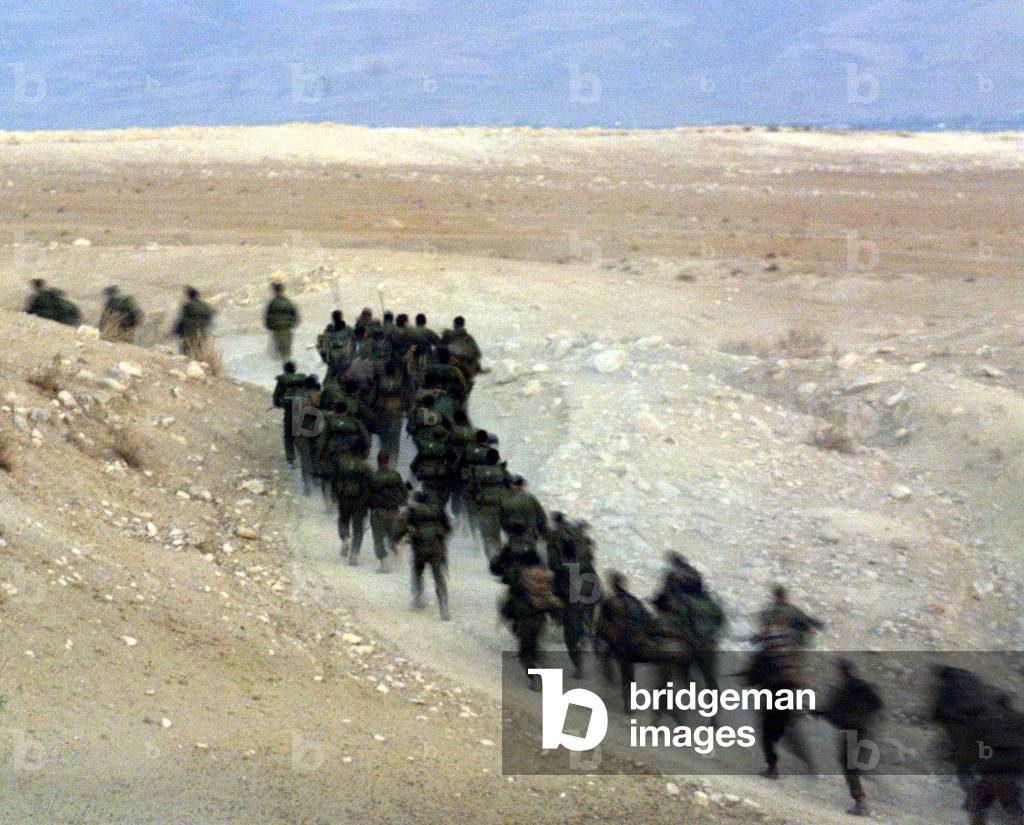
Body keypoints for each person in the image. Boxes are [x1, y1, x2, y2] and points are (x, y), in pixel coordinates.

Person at [813, 658, 884, 817]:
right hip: (864, 729)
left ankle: (860, 802)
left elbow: (832, 713)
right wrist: (866, 717)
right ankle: (870, 783)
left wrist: (817, 712)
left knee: (848, 764)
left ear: (842, 672)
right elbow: (878, 704)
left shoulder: (844, 690)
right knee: (856, 763)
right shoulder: (864, 687)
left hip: (850, 731)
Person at [490, 544, 560, 689]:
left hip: (523, 617)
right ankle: (545, 670)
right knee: (536, 644)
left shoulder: (519, 574)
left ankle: (535, 679)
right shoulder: (547, 576)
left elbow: (501, 576)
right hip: (540, 617)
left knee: (525, 652)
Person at [546, 513, 601, 679]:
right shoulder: (585, 556)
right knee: (588, 621)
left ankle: (578, 665)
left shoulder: (563, 564)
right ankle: (588, 635)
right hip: (591, 588)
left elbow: (554, 568)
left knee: (571, 632)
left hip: (573, 595)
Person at [394, 491, 451, 620]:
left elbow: (400, 525)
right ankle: (444, 607)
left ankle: (418, 599)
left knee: (417, 572)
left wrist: (396, 540)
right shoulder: (438, 509)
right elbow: (448, 526)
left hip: (419, 547)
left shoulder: (412, 510)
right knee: (438, 576)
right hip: (437, 547)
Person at [368, 453, 408, 573]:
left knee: (378, 538)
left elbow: (368, 495)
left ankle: (384, 563)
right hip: (395, 511)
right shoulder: (395, 475)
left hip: (379, 512)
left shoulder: (374, 477)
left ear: (378, 461)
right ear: (388, 461)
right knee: (393, 536)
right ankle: (398, 558)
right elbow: (404, 492)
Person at [468, 448, 509, 559]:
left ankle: (490, 557)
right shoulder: (501, 470)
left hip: (483, 505)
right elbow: (509, 485)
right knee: (496, 534)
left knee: (486, 534)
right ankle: (499, 557)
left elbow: (470, 488)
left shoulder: (477, 470)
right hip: (498, 505)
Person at [333, 452, 372, 564]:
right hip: (360, 501)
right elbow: (372, 484)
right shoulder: (365, 466)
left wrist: (335, 495)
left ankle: (345, 538)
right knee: (358, 529)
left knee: (343, 520)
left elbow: (334, 480)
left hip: (344, 498)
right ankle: (354, 554)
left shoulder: (341, 463)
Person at [756, 585, 824, 648]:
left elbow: (762, 630)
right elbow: (804, 622)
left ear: (774, 597)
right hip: (788, 642)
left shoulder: (767, 609)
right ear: (784, 597)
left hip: (772, 643)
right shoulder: (791, 609)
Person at [271, 361, 308, 468]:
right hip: (304, 409)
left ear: (285, 370)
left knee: (288, 435)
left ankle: (291, 460)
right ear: (295, 369)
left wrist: (279, 404)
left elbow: (276, 397)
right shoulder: (303, 378)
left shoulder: (283, 380)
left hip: (290, 411)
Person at [499, 476, 547, 544]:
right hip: (529, 533)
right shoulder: (530, 498)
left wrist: (506, 530)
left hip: (512, 533)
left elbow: (501, 517)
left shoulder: (505, 499)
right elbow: (541, 516)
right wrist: (542, 532)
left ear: (512, 486)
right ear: (522, 485)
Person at [441, 316, 483, 388]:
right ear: (463, 325)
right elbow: (478, 354)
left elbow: (440, 350)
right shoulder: (469, 338)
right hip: (466, 371)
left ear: (454, 325)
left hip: (450, 369)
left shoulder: (447, 336)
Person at [173, 286, 215, 357]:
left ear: (189, 295)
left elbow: (182, 320)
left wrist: (176, 331)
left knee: (186, 353)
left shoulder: (188, 306)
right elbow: (211, 316)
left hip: (190, 333)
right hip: (202, 332)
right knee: (200, 351)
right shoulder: (205, 305)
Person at [264, 282, 300, 360]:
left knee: (279, 349)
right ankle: (288, 365)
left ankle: (283, 366)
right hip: (287, 329)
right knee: (287, 349)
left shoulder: (272, 303)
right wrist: (292, 324)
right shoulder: (288, 302)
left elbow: (267, 318)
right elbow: (295, 315)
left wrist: (270, 327)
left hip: (277, 330)